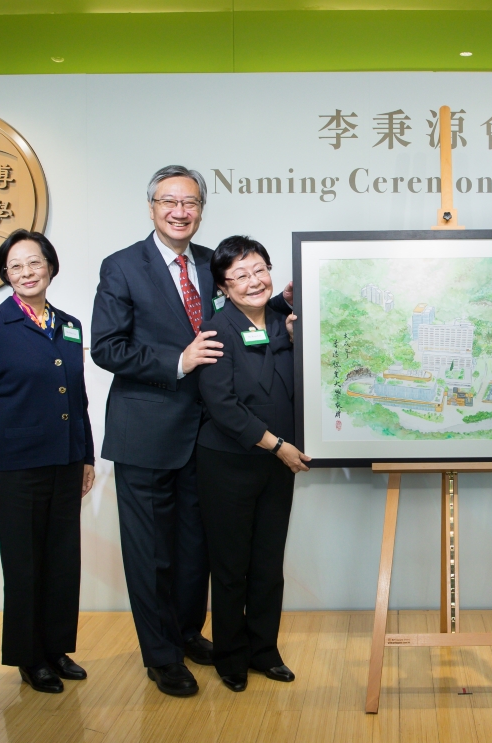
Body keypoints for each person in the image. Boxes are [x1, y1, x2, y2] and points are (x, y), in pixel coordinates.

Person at [91, 165, 221, 697]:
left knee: (195, 549)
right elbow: (107, 347)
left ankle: (187, 633)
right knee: (150, 552)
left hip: (208, 434)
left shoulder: (215, 263)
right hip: (145, 433)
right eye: (169, 202)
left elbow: (237, 325)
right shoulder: (122, 266)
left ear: (200, 209)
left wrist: (280, 309)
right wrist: (178, 361)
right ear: (151, 208)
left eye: (190, 203)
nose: (180, 211)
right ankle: (161, 656)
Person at [0, 230, 96, 694]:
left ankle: (57, 648)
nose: (26, 272)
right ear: (5, 276)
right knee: (23, 564)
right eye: (15, 267)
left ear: (50, 266)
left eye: (34, 263)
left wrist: (86, 456)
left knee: (62, 560)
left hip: (65, 461)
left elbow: (78, 398)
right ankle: (29, 657)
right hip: (13, 467)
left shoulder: (70, 323)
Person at [195, 236, 310, 692]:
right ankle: (230, 657)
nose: (252, 281)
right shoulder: (216, 329)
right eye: (239, 275)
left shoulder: (286, 321)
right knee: (231, 567)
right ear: (223, 287)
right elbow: (222, 406)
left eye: (259, 269)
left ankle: (265, 650)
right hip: (229, 464)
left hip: (277, 464)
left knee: (268, 563)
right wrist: (278, 445)